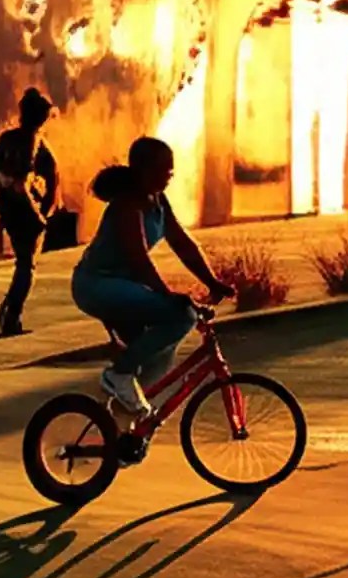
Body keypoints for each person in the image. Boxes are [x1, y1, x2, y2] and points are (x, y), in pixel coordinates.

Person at [71, 136, 234, 416]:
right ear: (142, 170)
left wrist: (212, 282)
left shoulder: (158, 200)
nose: (169, 176)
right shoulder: (127, 205)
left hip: (125, 287)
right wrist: (167, 294)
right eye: (162, 170)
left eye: (170, 169)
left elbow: (182, 243)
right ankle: (118, 375)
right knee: (181, 315)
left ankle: (119, 427)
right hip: (97, 285)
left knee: (160, 355)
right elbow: (139, 260)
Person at [0, 88, 60, 336]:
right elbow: (17, 182)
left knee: (24, 265)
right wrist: (37, 216)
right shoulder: (30, 142)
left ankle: (8, 309)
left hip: (10, 208)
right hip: (22, 212)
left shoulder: (8, 139)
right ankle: (12, 316)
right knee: (26, 267)